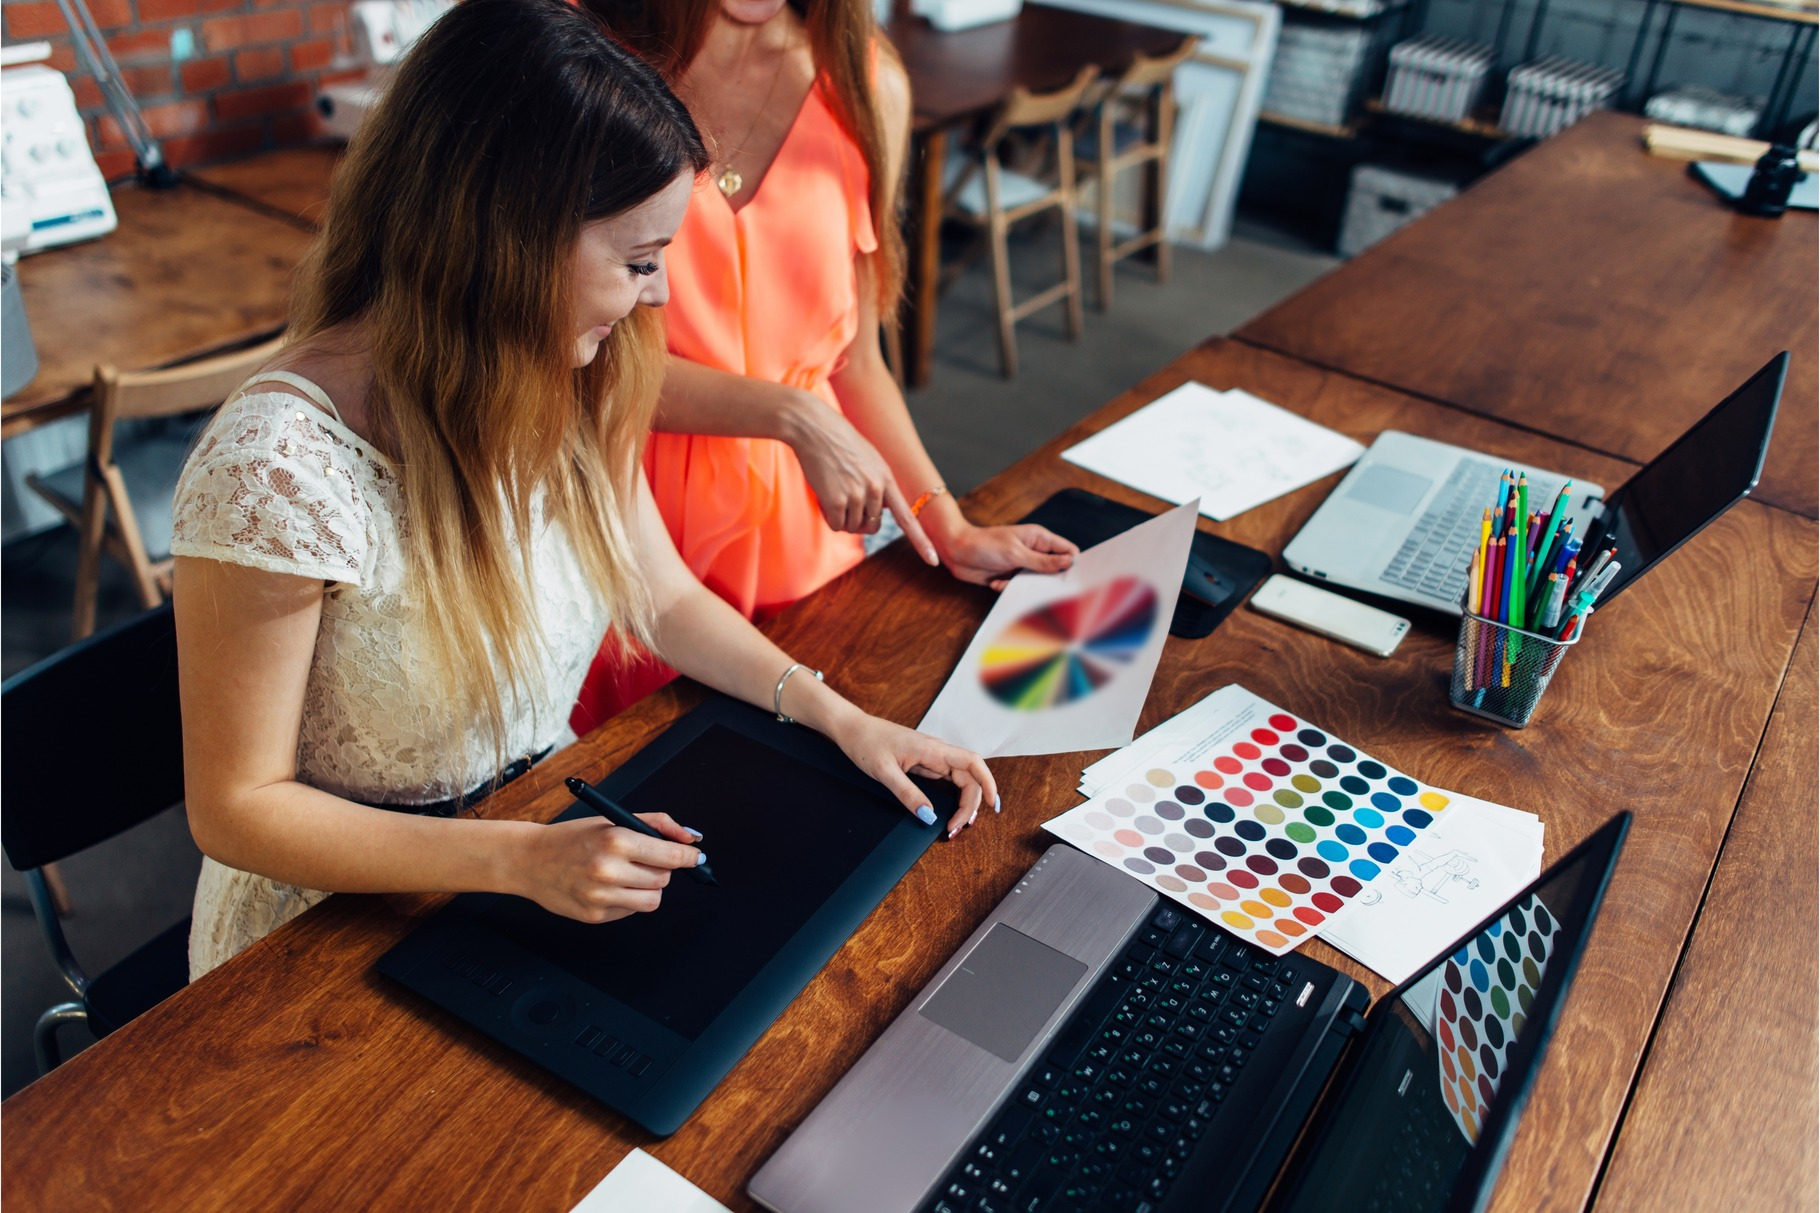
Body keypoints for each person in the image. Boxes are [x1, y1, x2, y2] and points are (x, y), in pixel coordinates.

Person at [170, 0, 995, 980]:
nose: (656, 299)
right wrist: (514, 858)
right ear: (507, 239)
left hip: (532, 844)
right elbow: (237, 804)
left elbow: (663, 594)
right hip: (329, 931)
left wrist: (845, 722)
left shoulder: (569, 379)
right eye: (641, 262)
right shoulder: (275, 469)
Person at [570, 0, 1080, 732]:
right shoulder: (587, 52)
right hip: (629, 504)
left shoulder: (870, 86)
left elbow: (856, 357)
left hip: (806, 517)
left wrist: (949, 522)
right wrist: (792, 416)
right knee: (635, 773)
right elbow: (578, 362)